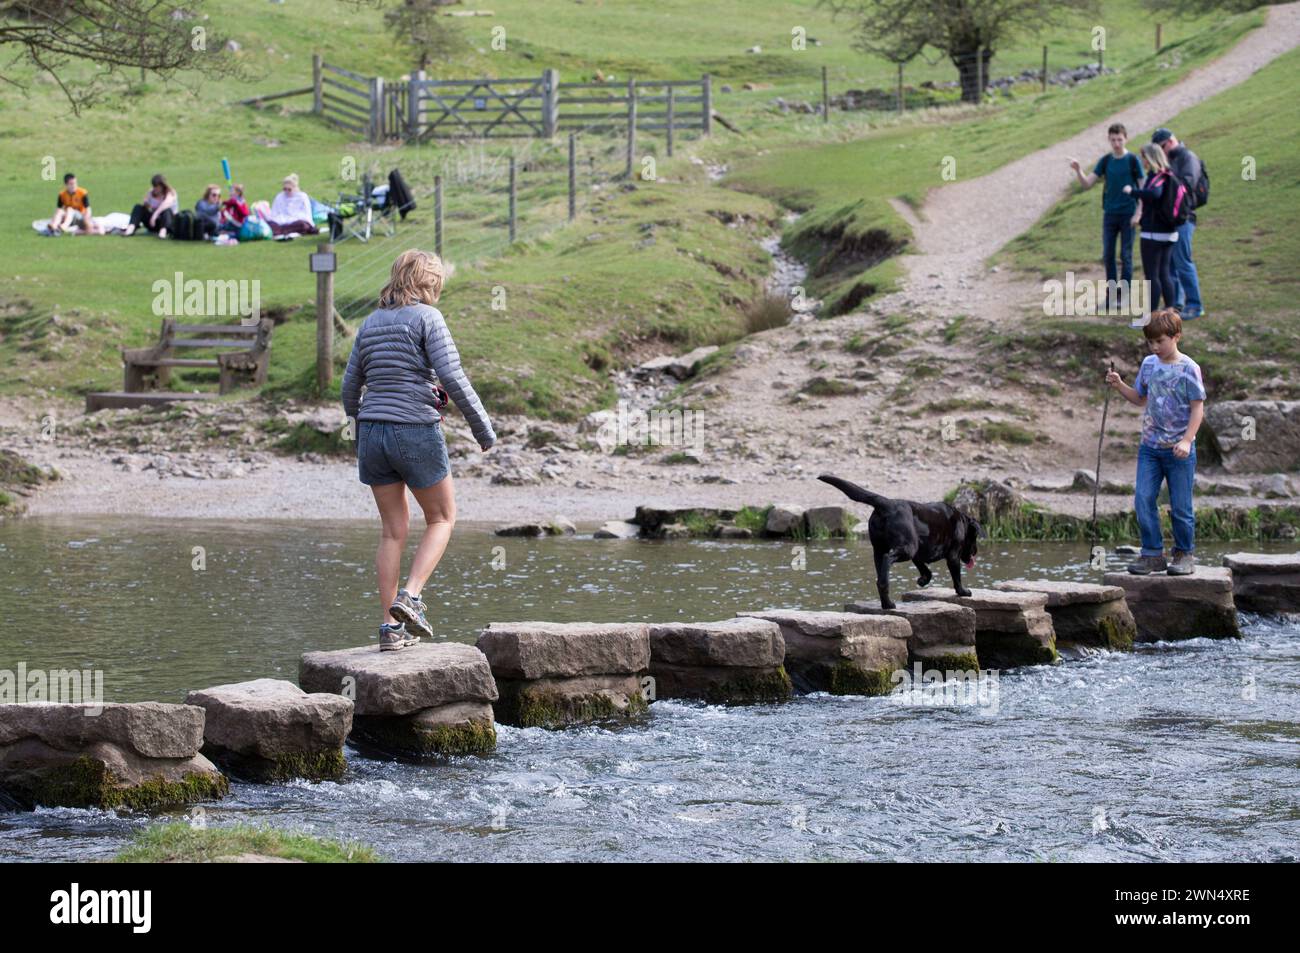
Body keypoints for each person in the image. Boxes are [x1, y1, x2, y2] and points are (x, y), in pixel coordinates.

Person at [340, 250, 496, 651]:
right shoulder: (428, 318)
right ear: (428, 282)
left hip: (373, 432)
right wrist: (483, 427)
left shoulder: (370, 323)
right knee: (442, 517)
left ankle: (389, 631)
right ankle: (410, 596)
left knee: (392, 531)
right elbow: (452, 376)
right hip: (413, 430)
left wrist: (360, 431)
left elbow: (348, 388)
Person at [1105, 309, 1206, 576]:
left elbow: (1198, 409)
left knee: (1181, 506)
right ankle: (1152, 555)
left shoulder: (1188, 368)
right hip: (1150, 447)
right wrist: (1119, 385)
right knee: (1143, 499)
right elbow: (1140, 398)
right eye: (1151, 342)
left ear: (1176, 337)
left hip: (1179, 451)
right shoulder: (1149, 364)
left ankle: (1184, 554)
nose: (1155, 347)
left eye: (1160, 341)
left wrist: (1187, 440)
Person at [1069, 123, 1140, 312]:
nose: (1116, 143)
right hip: (1110, 214)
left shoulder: (1133, 160)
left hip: (1128, 214)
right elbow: (1087, 184)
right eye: (1113, 139)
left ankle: (1123, 297)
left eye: (1120, 139)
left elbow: (1143, 188)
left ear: (1126, 138)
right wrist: (1078, 170)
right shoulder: (1106, 161)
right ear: (1109, 140)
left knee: (1126, 255)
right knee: (1108, 255)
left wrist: (1139, 212)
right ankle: (1111, 296)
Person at [1153, 127, 1205, 319]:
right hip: (1172, 219)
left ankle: (1195, 305)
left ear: (1169, 142)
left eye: (1162, 147)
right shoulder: (1172, 159)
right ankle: (1177, 303)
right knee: (1172, 263)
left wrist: (1167, 180)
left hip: (1184, 217)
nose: (1161, 152)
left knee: (1183, 261)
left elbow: (1187, 185)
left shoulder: (1187, 157)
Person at [1123, 144, 1180, 315]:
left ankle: (1152, 314)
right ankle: (1170, 310)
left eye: (1144, 158)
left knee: (1152, 275)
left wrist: (1132, 191)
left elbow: (1154, 194)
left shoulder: (1156, 176)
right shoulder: (1169, 175)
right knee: (1164, 272)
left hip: (1154, 233)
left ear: (1150, 158)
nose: (1143, 161)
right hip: (1170, 232)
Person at [266, 173, 317, 237]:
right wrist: (282, 219)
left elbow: (306, 214)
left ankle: (280, 232)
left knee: (302, 225)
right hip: (281, 222)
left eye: (289, 189)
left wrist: (292, 218)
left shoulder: (302, 197)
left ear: (295, 188)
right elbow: (274, 213)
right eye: (284, 189)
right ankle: (282, 231)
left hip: (296, 221)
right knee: (269, 224)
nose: (286, 191)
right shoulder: (279, 196)